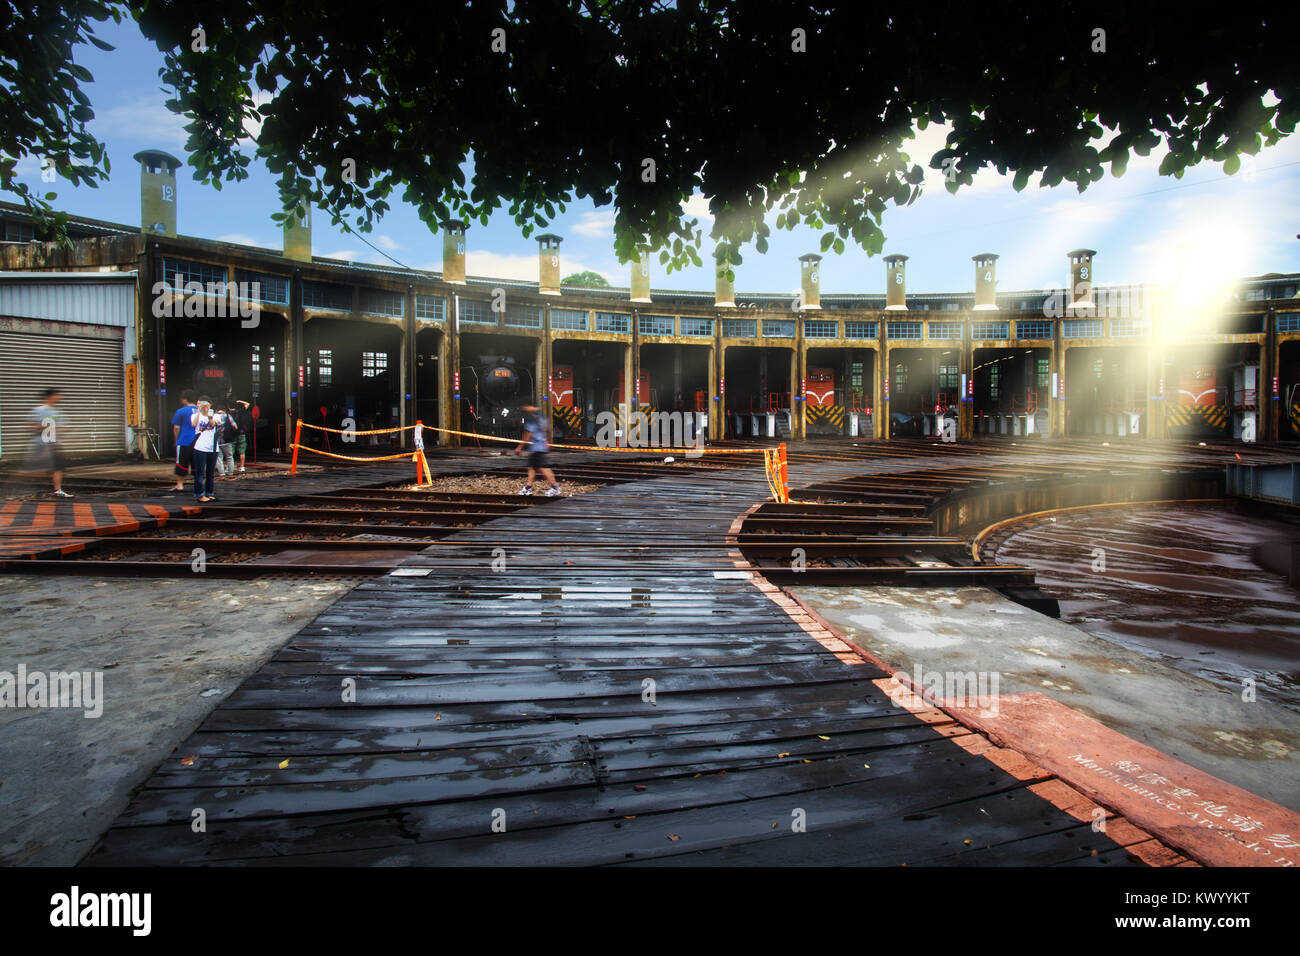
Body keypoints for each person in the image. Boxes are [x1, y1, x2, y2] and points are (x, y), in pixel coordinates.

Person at [27, 387, 73, 498]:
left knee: (58, 467)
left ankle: (57, 490)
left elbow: (64, 426)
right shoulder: (39, 410)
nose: (59, 397)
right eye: (57, 395)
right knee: (46, 467)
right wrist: (48, 427)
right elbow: (32, 426)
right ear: (50, 397)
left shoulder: (57, 411)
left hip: (54, 443)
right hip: (43, 444)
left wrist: (62, 429)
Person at [514, 402, 561, 496]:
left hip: (537, 447)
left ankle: (555, 487)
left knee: (543, 468)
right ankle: (528, 487)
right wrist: (547, 441)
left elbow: (528, 434)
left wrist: (519, 447)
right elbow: (545, 430)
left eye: (526, 406)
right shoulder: (541, 417)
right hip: (538, 447)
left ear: (531, 407)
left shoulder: (532, 418)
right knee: (532, 467)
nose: (525, 408)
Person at [190, 396, 220, 503]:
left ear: (210, 404)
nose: (202, 405)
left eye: (204, 403)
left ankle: (209, 493)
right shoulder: (195, 415)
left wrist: (209, 413)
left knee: (210, 472)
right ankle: (199, 494)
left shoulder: (216, 415)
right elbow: (194, 424)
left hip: (213, 448)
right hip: (200, 447)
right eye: (199, 403)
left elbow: (212, 424)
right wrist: (199, 410)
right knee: (199, 472)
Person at [169, 390, 197, 492]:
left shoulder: (181, 411)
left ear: (185, 399)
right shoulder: (201, 410)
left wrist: (175, 440)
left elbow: (176, 428)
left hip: (184, 440)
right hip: (198, 441)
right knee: (197, 463)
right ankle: (197, 484)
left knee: (181, 462)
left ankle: (180, 484)